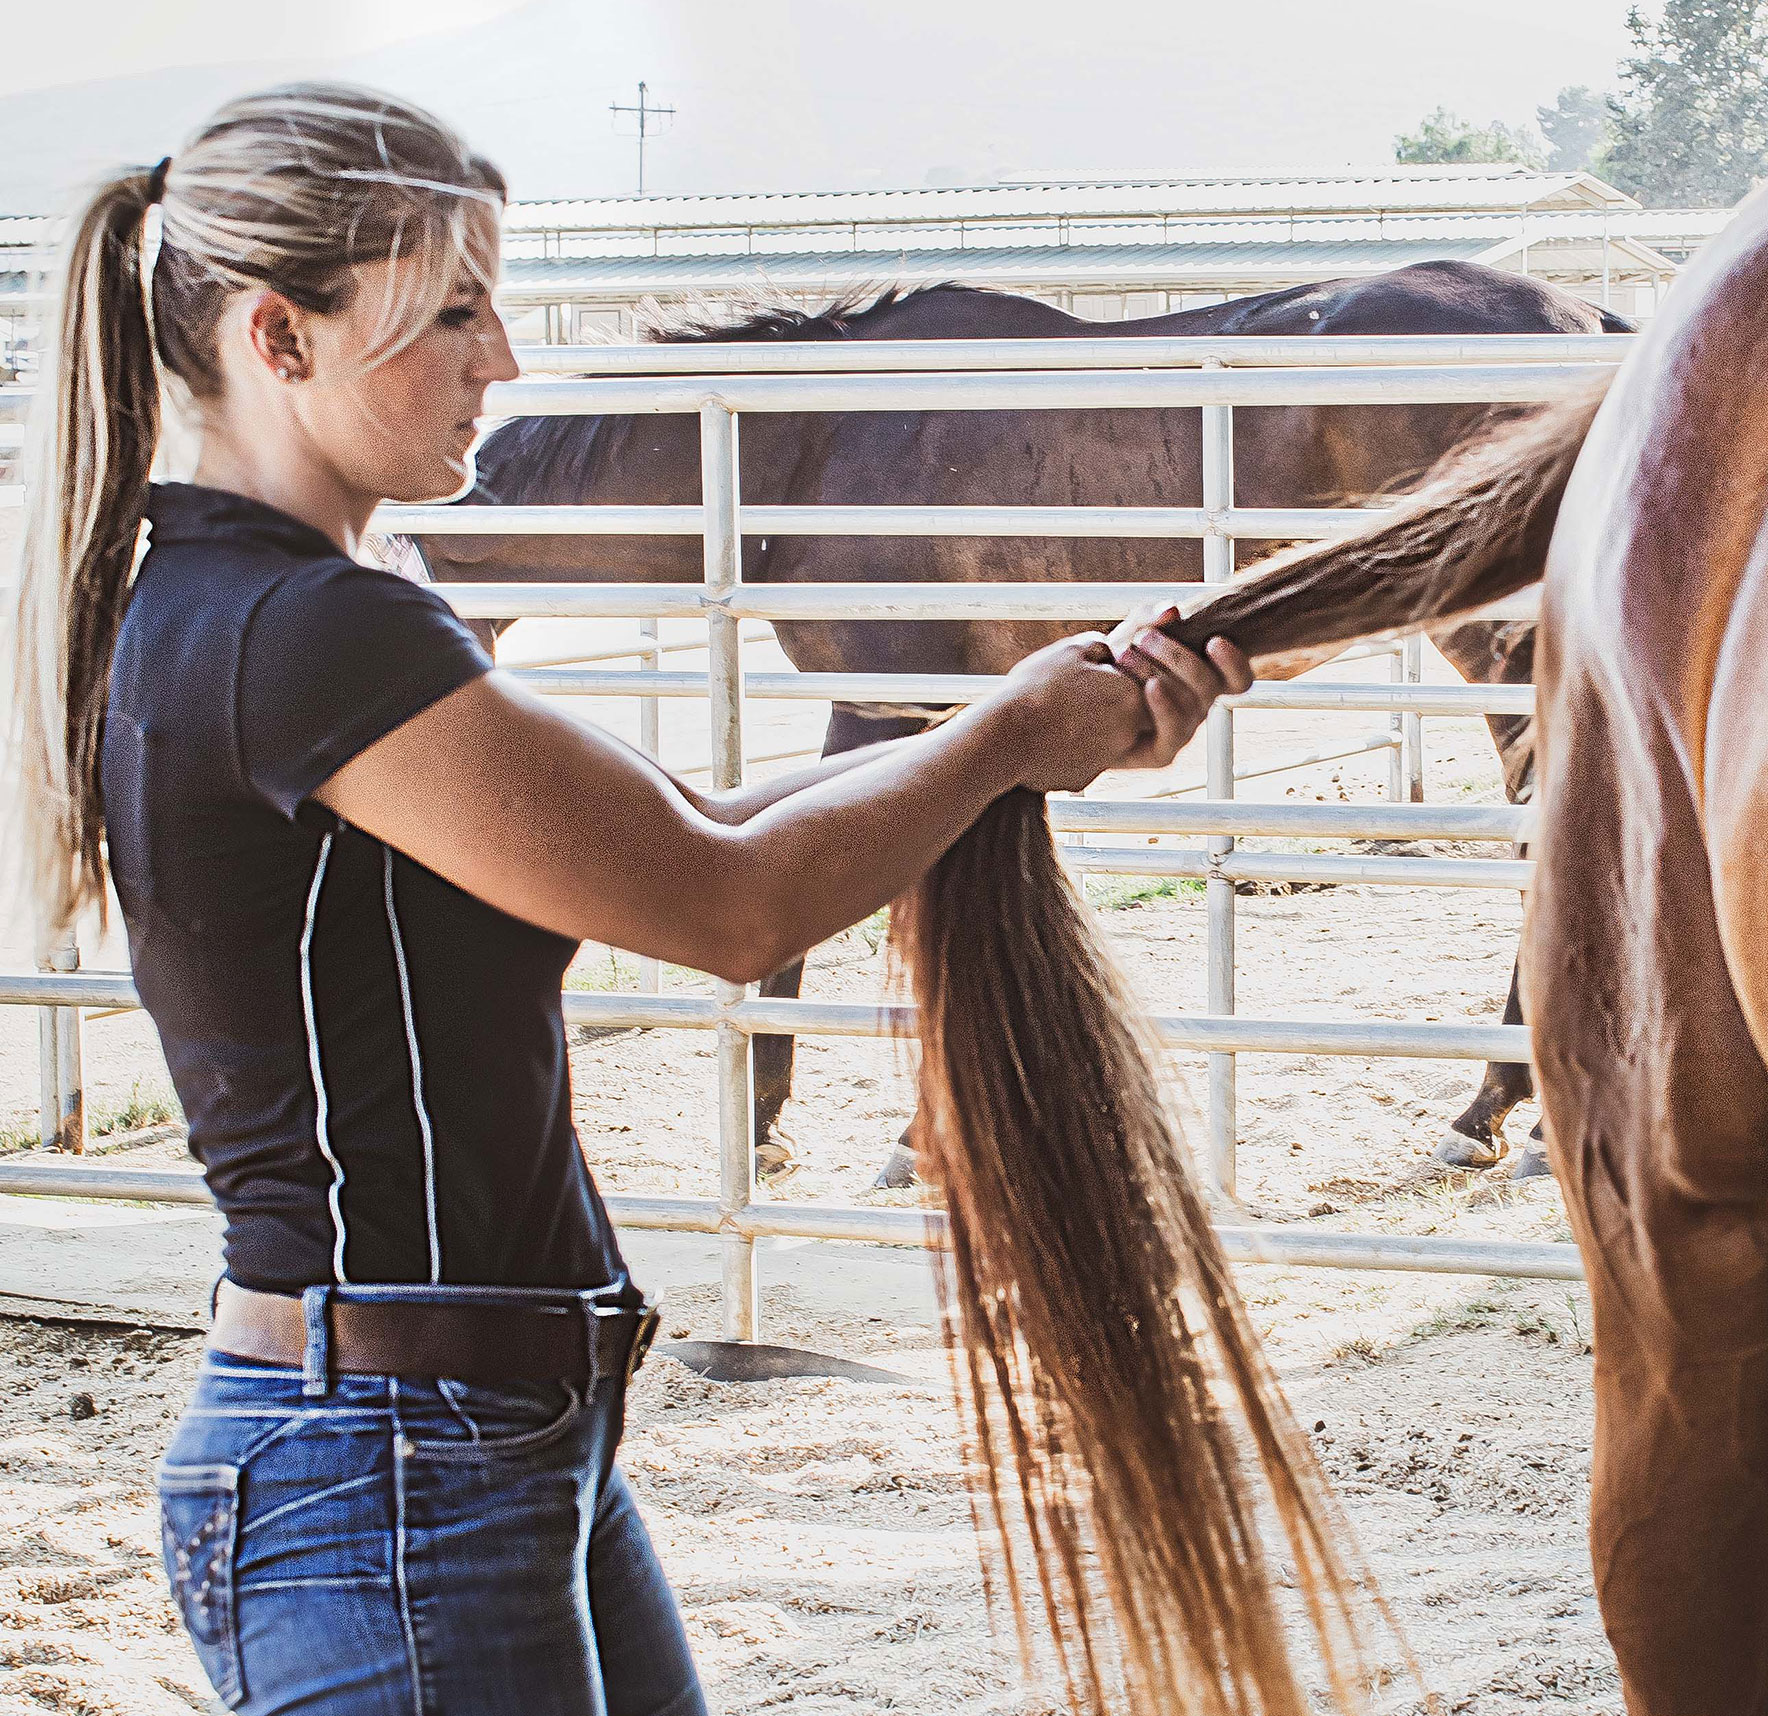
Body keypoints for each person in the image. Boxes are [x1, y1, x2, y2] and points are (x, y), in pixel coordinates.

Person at [6, 83, 1250, 1715]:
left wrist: (1009, 735)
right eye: (451, 313)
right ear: (278, 338)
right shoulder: (307, 636)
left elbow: (693, 820)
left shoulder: (250, 607)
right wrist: (1010, 735)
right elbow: (731, 909)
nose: (501, 362)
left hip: (462, 1434)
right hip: (393, 1461)